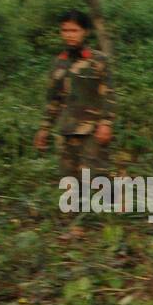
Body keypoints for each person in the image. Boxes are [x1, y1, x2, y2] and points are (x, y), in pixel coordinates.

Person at [33, 10, 115, 179]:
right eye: (65, 30)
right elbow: (53, 100)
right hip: (66, 132)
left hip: (92, 132)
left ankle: (116, 202)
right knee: (69, 182)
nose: (69, 35)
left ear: (85, 32)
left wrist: (106, 123)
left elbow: (109, 94)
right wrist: (44, 128)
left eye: (74, 30)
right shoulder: (58, 63)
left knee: (97, 179)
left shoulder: (98, 61)